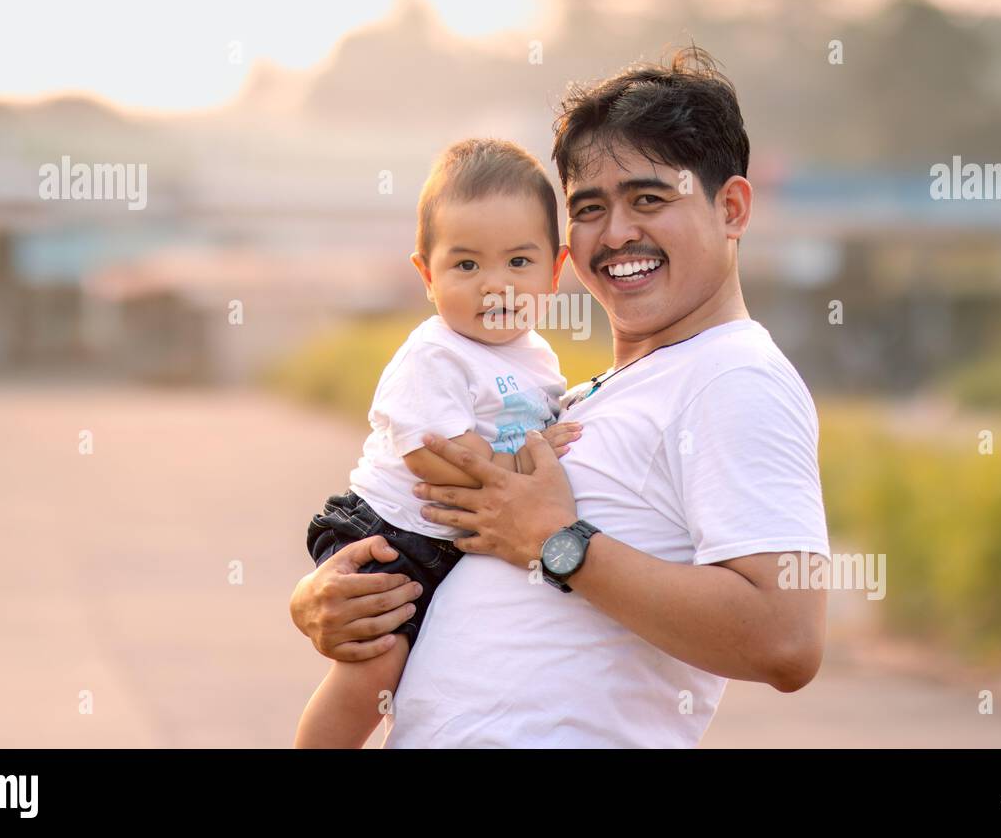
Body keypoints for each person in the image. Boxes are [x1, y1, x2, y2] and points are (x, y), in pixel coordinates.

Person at [289, 46, 831, 747]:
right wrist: (330, 601)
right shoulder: (570, 394)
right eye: (589, 208)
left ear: (731, 207)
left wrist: (558, 543)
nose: (616, 233)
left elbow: (786, 639)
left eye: (649, 198)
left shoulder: (733, 376)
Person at [293, 138, 581, 747]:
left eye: (519, 263)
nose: (495, 285)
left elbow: (532, 422)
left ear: (555, 270)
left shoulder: (538, 358)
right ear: (427, 274)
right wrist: (530, 459)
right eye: (467, 265)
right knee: (374, 667)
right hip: (387, 537)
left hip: (442, 545)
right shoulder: (435, 353)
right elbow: (433, 455)